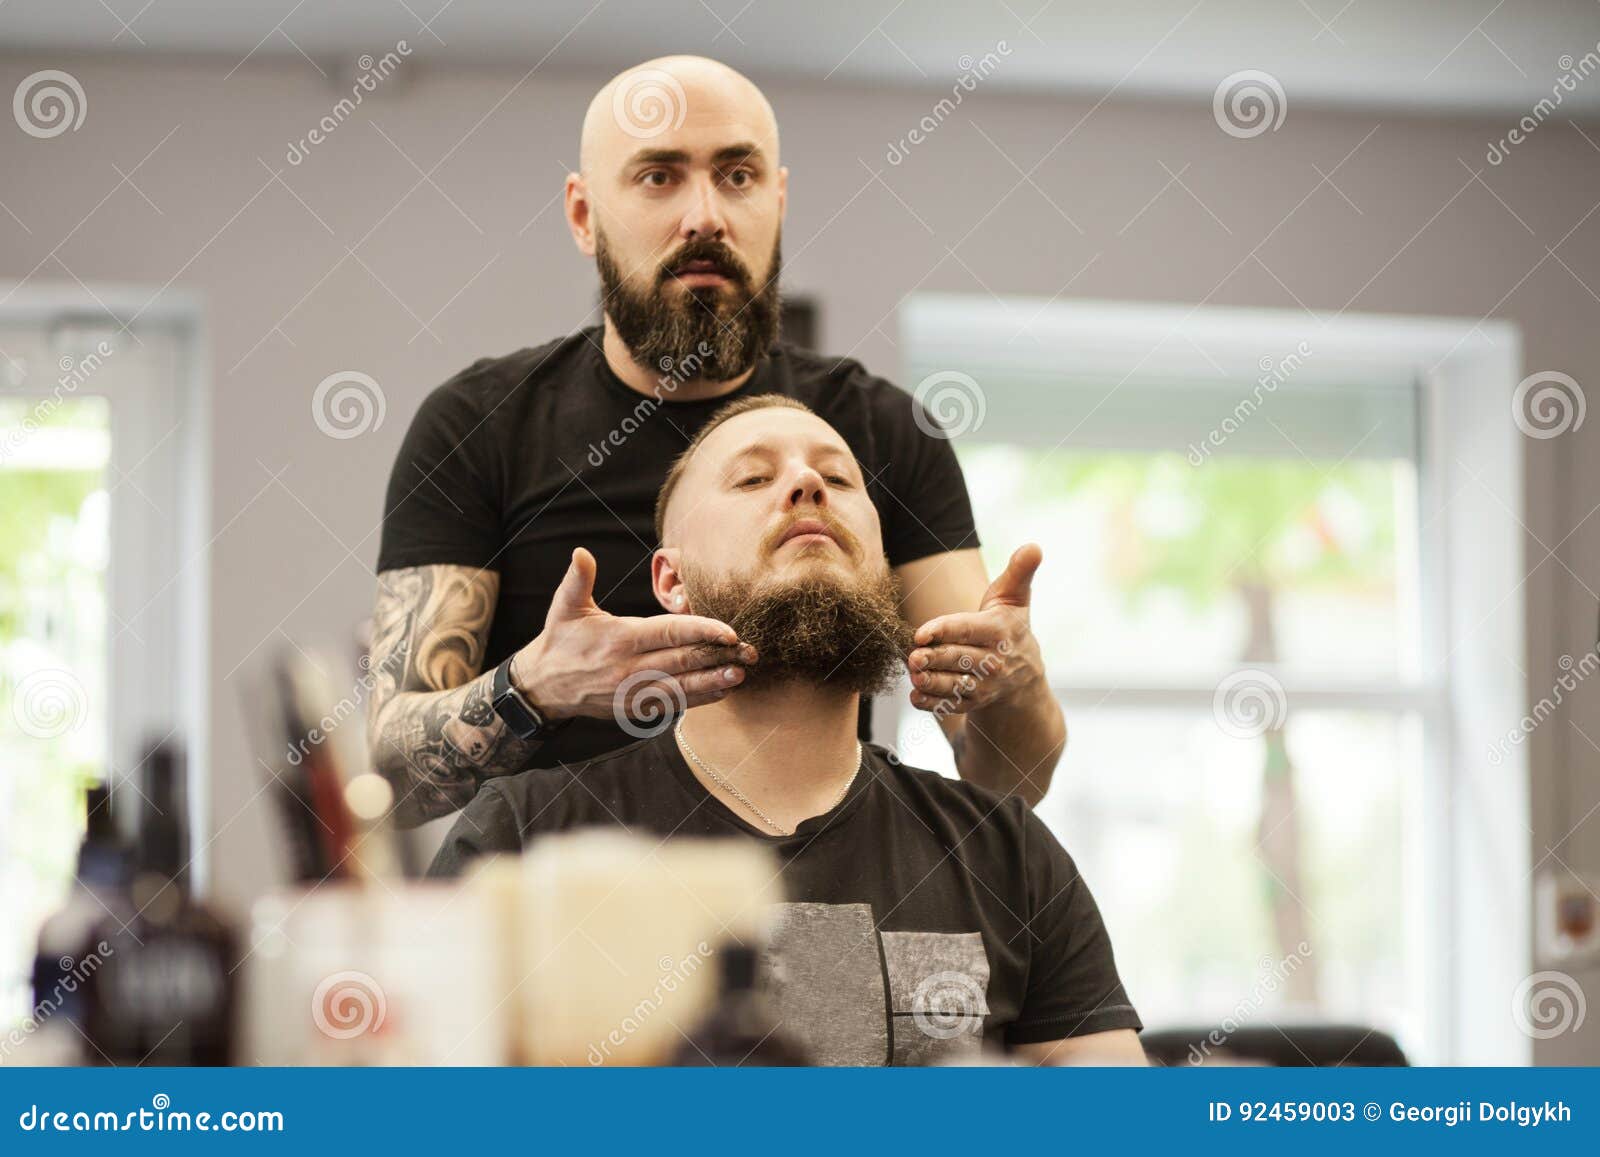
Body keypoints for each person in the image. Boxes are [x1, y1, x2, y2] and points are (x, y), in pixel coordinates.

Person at [369, 53, 1066, 829]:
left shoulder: (877, 431)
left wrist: (1020, 683)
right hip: (558, 918)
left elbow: (1011, 781)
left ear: (778, 196)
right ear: (583, 214)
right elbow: (391, 786)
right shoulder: (479, 427)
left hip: (806, 909)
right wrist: (537, 684)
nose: (705, 215)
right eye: (659, 176)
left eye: (737, 175)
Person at [427, 396, 1144, 1067]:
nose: (807, 483)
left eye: (837, 475)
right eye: (752, 478)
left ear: (882, 571)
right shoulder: (524, 837)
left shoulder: (1010, 854)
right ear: (671, 582)